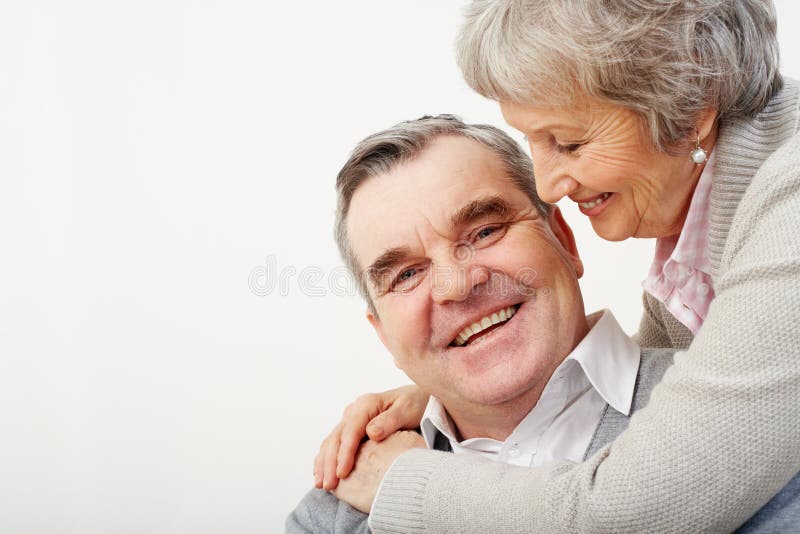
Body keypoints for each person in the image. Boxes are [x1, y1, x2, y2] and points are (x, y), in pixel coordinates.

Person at [315, 1, 800, 532]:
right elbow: (682, 374)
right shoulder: (696, 249)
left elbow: (637, 511)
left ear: (692, 105)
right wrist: (454, 397)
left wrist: (406, 484)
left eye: (569, 142)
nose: (547, 186)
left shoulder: (790, 204)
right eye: (406, 274)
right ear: (381, 332)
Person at [287, 115, 676, 533]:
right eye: (407, 274)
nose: (456, 285)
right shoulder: (336, 513)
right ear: (383, 335)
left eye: (486, 231)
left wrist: (415, 491)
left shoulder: (717, 413)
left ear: (564, 241)